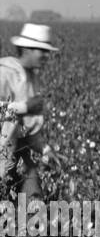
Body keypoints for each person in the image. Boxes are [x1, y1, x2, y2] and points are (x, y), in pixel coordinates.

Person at [0, 23, 58, 201]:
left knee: (34, 206)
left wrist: (45, 149)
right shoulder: (4, 72)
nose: (46, 56)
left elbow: (28, 129)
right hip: (3, 154)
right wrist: (25, 107)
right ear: (26, 50)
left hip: (19, 153)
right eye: (42, 51)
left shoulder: (32, 79)